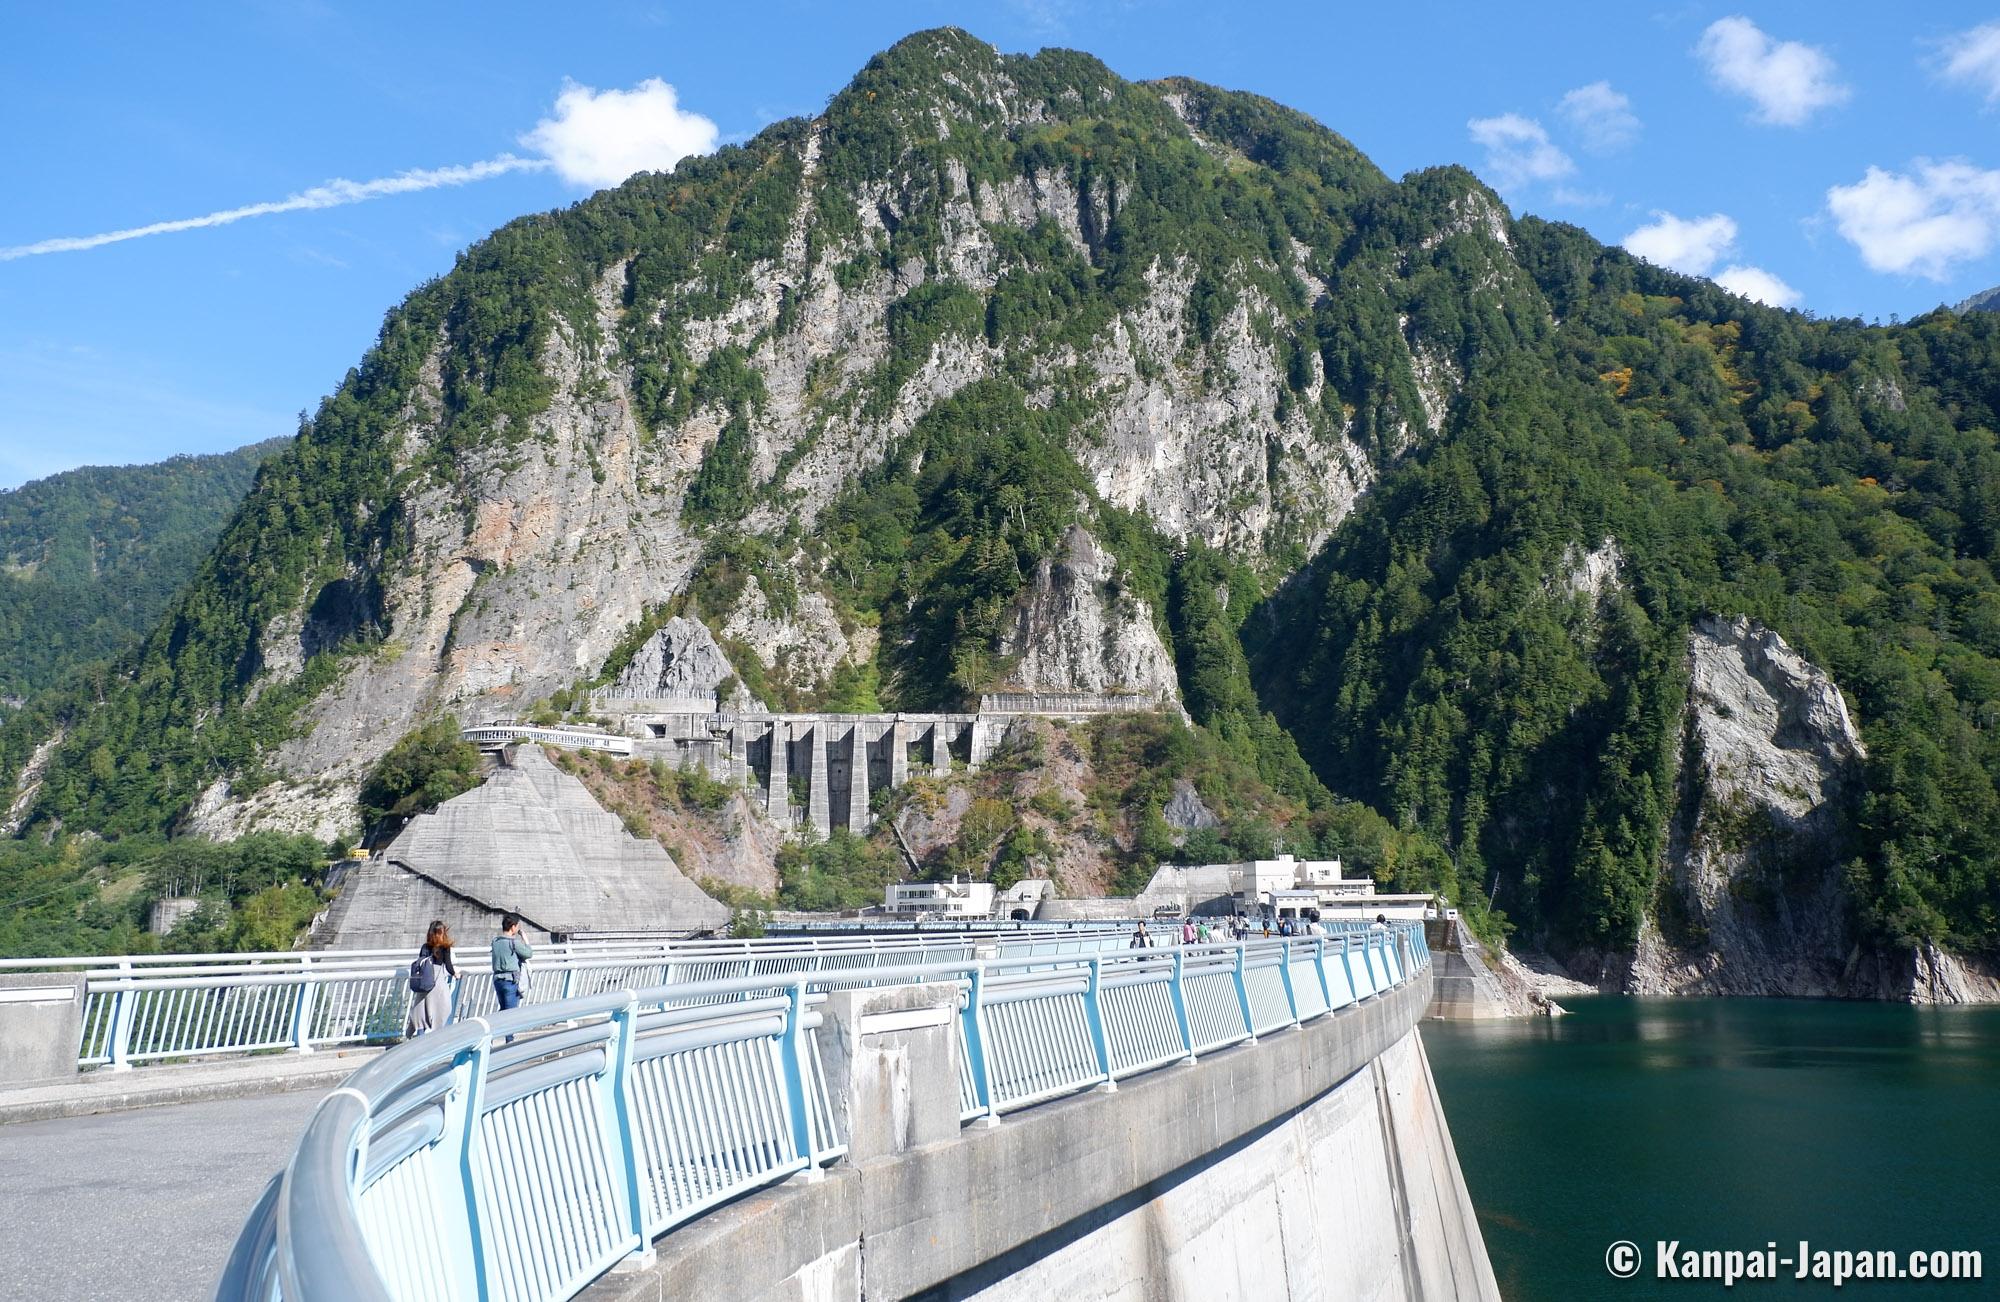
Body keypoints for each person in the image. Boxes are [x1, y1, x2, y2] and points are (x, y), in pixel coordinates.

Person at [404, 919, 457, 1037]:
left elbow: (421, 962)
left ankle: (417, 1035)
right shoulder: (445, 947)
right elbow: (448, 966)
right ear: (442, 933)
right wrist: (455, 974)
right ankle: (435, 1035)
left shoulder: (425, 947)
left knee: (421, 1011)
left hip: (424, 982)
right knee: (443, 1008)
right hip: (437, 983)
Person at [492, 913, 533, 1012]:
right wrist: (525, 939)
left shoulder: (495, 941)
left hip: (498, 980)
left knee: (503, 1010)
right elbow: (529, 953)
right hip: (510, 981)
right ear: (513, 927)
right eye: (517, 926)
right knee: (511, 1013)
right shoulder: (514, 942)